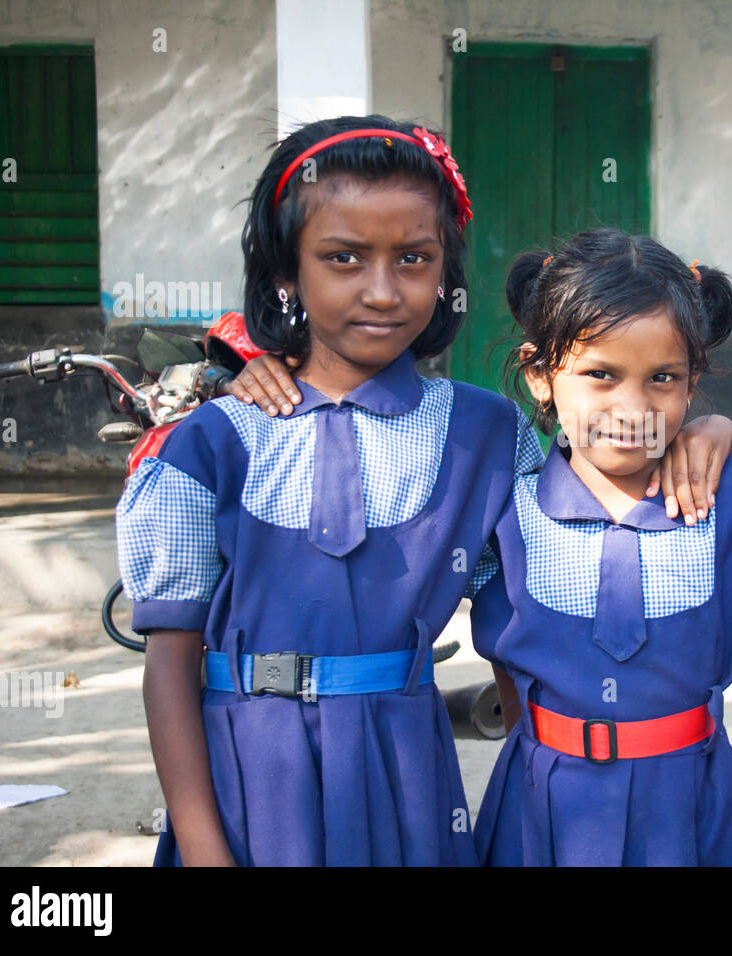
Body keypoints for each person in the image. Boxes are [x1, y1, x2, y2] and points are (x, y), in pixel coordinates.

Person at [116, 114, 542, 866]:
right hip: (250, 782)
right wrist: (206, 847)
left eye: (414, 258)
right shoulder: (218, 440)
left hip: (406, 778)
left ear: (445, 272)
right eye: (343, 258)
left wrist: (698, 439)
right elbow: (170, 661)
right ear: (286, 272)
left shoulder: (486, 436)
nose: (383, 291)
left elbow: (536, 623)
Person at [465, 229, 732, 865]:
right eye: (600, 374)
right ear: (539, 374)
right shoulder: (505, 504)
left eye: (662, 377)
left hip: (689, 804)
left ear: (693, 383)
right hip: (543, 806)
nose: (632, 407)